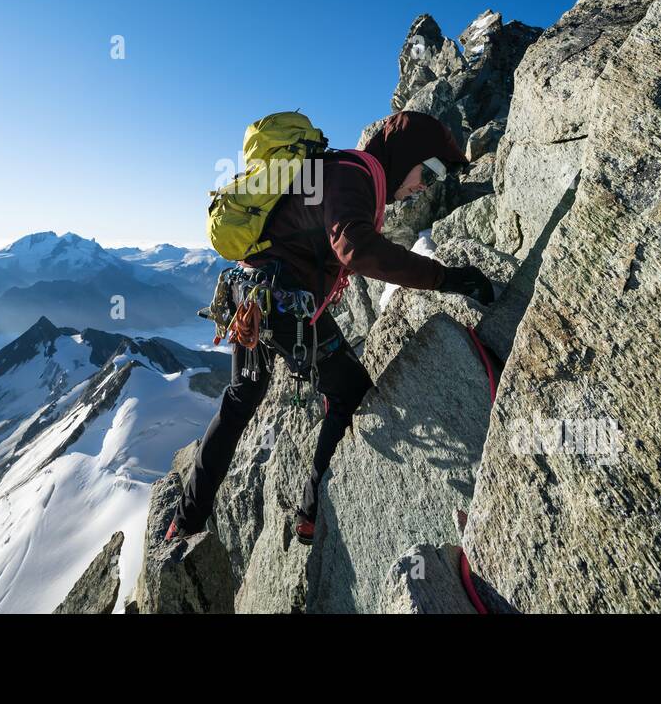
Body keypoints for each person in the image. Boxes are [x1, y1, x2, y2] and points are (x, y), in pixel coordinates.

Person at [169, 111, 497, 545]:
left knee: (241, 398)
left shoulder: (335, 170)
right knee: (348, 392)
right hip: (283, 306)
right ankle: (311, 514)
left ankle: (185, 520)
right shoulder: (352, 173)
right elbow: (355, 248)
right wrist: (446, 278)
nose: (425, 185)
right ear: (407, 155)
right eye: (429, 170)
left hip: (250, 299)